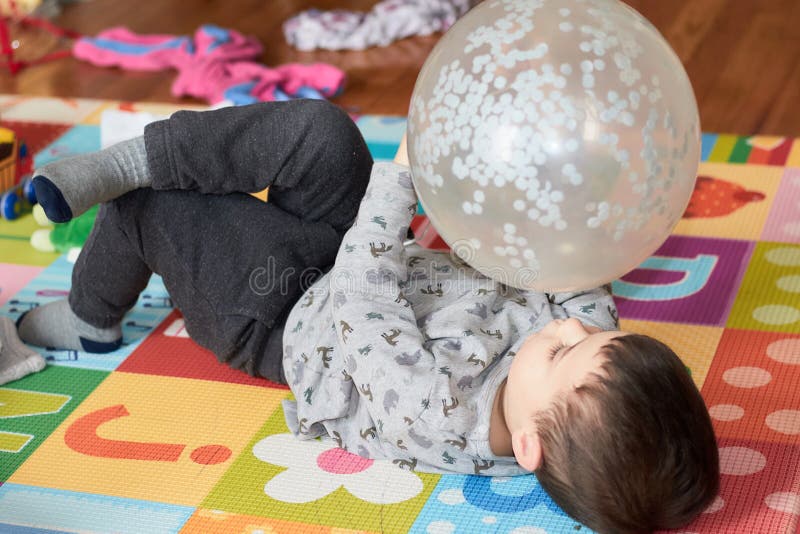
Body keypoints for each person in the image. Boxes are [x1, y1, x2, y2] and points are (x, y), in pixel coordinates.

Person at [1, 100, 719, 534]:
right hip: (354, 256)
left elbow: (363, 299)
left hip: (280, 310)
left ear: (527, 447)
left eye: (565, 352)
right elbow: (578, 282)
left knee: (157, 213)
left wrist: (399, 182)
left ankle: (92, 311)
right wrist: (564, 184)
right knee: (324, 133)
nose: (568, 329)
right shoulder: (562, 378)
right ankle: (143, 153)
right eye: (596, 336)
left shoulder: (437, 408)